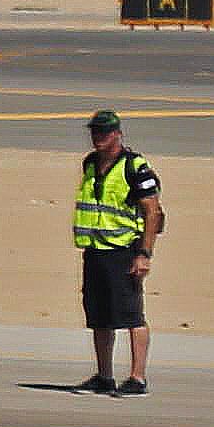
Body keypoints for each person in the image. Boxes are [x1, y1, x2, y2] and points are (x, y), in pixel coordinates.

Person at [75, 109, 163, 397]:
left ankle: (137, 378)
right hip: (95, 250)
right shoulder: (90, 163)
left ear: (117, 134)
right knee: (99, 316)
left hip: (124, 251)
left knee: (131, 316)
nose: (97, 137)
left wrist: (144, 253)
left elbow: (153, 211)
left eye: (103, 132)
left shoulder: (135, 167)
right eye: (94, 132)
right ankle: (104, 376)